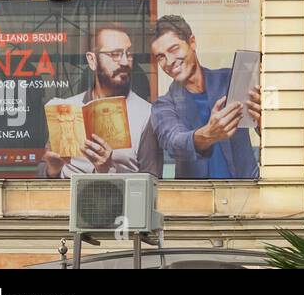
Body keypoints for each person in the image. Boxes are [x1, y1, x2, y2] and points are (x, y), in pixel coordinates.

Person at [39, 24, 161, 178]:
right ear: (92, 60)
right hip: (67, 198)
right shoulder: (67, 108)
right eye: (115, 54)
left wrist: (107, 170)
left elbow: (152, 181)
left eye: (128, 54)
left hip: (119, 199)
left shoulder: (147, 114)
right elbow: (42, 175)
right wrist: (53, 169)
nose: (124, 61)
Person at [148, 14, 260, 179]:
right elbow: (174, 142)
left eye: (173, 49)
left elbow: (270, 130)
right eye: (161, 57)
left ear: (192, 42)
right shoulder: (163, 106)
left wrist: (264, 123)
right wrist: (208, 134)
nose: (169, 61)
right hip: (197, 199)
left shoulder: (229, 80)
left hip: (245, 195)